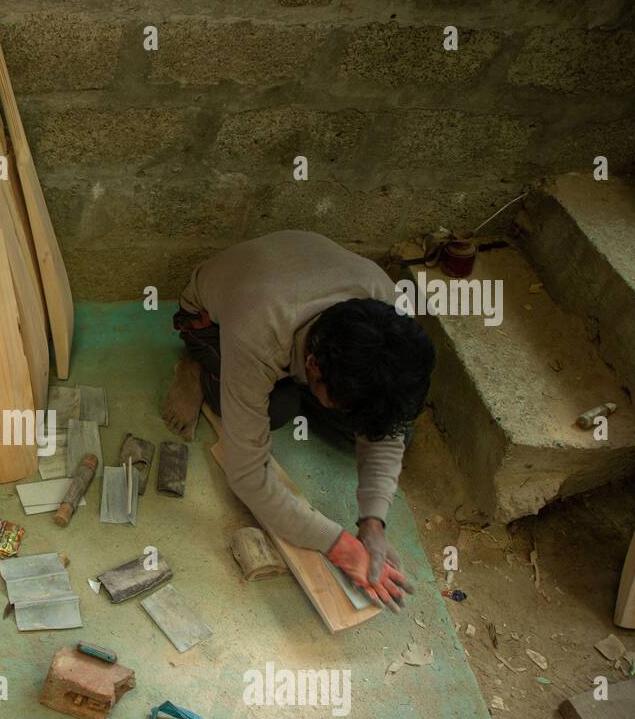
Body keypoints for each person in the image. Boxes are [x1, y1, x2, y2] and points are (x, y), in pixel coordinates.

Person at [161, 230, 435, 611]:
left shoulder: (390, 314)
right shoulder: (258, 330)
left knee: (389, 425)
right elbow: (247, 476)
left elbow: (384, 432)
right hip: (212, 320)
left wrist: (373, 522)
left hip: (293, 306)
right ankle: (199, 370)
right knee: (279, 407)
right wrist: (337, 545)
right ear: (313, 366)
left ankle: (308, 391)